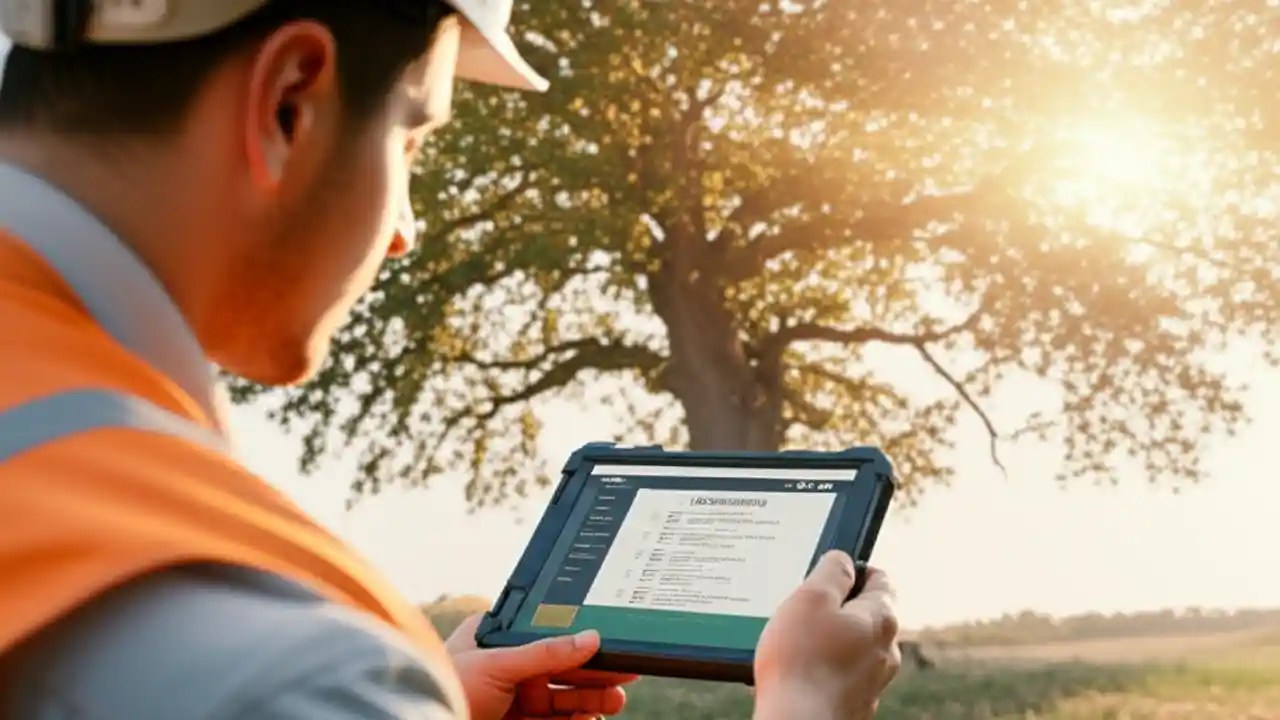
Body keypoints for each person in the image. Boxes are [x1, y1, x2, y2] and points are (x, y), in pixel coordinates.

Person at [0, 1, 901, 718]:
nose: (402, 233)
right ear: (290, 102)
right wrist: (807, 704)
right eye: (414, 137)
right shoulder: (285, 664)